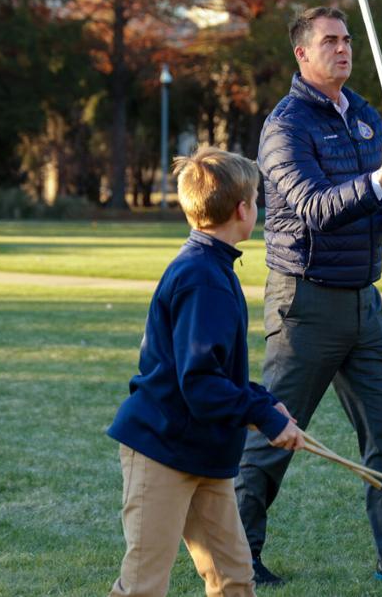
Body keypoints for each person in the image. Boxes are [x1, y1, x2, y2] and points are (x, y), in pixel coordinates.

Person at [235, 7, 382, 588]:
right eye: (330, 41)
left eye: (347, 39)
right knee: (275, 436)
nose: (343, 49)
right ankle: (237, 555)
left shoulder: (362, 113)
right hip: (304, 305)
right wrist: (381, 179)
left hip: (364, 305)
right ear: (302, 54)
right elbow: (315, 208)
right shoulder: (284, 127)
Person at [106, 146, 304, 597]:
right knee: (143, 585)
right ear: (243, 209)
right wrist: (265, 416)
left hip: (205, 453)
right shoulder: (202, 276)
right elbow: (200, 383)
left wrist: (266, 402)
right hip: (162, 450)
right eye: (257, 199)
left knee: (234, 578)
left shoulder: (215, 266)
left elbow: (215, 372)